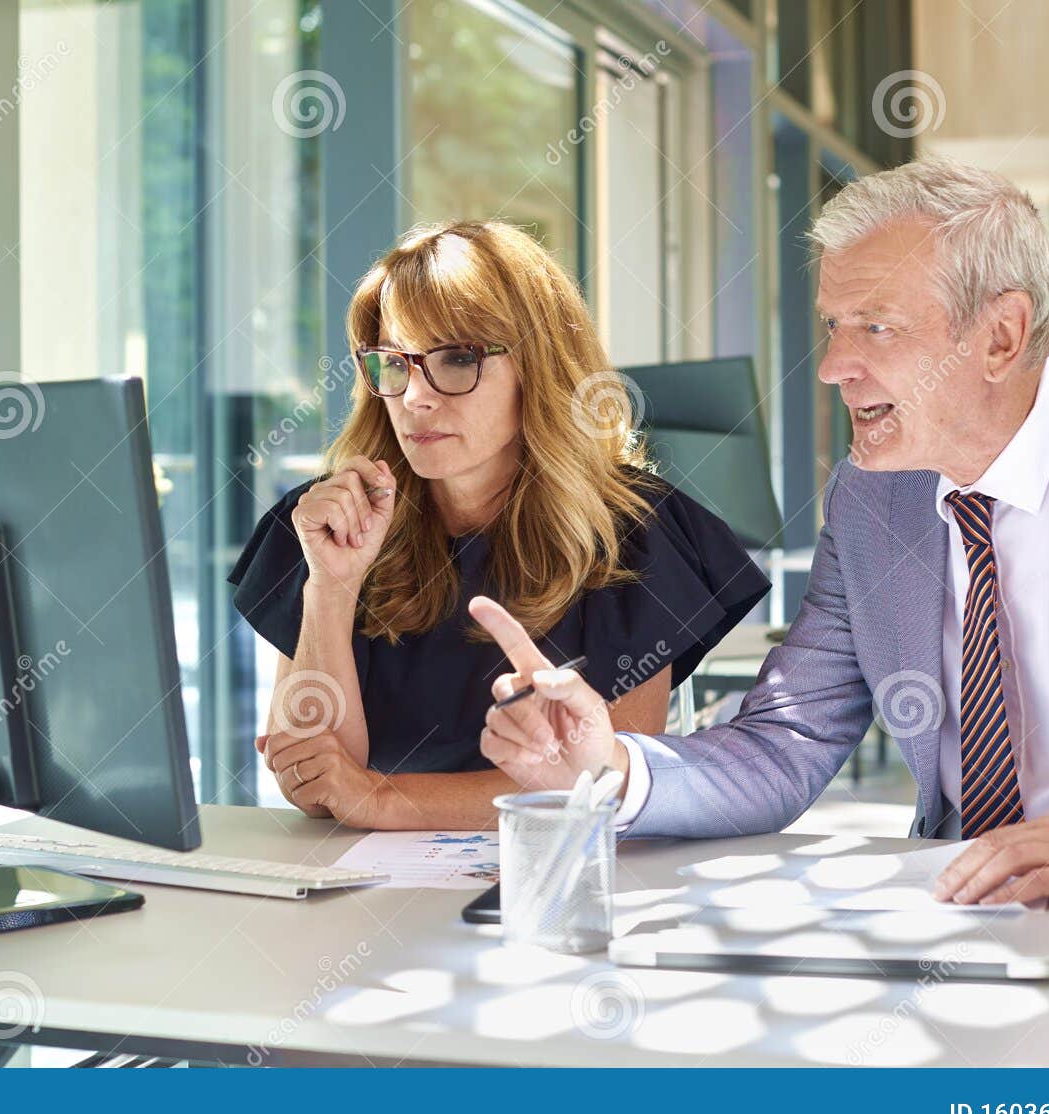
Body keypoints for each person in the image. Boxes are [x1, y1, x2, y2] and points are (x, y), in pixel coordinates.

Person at [474, 156, 1049, 899]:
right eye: (832, 326)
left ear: (1001, 337)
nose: (832, 367)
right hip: (954, 916)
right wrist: (609, 765)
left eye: (876, 328)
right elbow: (787, 739)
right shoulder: (871, 499)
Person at [229, 220, 769, 829]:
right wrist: (331, 586)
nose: (415, 399)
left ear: (538, 367)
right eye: (394, 364)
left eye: (457, 359)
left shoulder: (638, 533)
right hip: (362, 883)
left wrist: (381, 799)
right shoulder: (331, 518)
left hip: (553, 879)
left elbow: (595, 788)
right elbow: (316, 785)